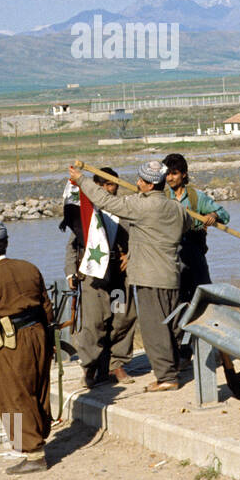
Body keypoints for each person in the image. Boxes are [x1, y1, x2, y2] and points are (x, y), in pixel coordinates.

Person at [68, 160, 190, 392]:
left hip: (149, 278)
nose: (136, 183)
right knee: (171, 326)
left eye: (140, 181)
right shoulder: (176, 207)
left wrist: (81, 179)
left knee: (155, 329)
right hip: (172, 275)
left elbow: (104, 201)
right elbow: (187, 225)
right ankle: (171, 370)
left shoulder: (141, 207)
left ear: (149, 184)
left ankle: (166, 377)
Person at [162, 153, 240, 399]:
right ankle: (179, 354)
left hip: (193, 255)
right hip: (169, 256)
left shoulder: (196, 198)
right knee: (175, 303)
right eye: (167, 174)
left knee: (203, 300)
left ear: (183, 174)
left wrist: (212, 217)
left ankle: (207, 348)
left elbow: (222, 214)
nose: (170, 178)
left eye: (174, 173)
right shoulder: (162, 196)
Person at [0, 220, 55, 474]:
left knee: (14, 395)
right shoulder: (29, 267)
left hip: (10, 341)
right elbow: (46, 307)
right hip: (39, 334)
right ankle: (38, 438)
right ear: (5, 242)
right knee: (38, 387)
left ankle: (34, 454)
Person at [63, 167, 137, 387]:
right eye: (102, 184)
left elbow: (142, 238)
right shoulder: (88, 212)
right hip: (93, 274)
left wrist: (132, 256)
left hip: (118, 273)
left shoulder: (126, 210)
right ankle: (90, 366)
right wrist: (70, 271)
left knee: (121, 317)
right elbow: (72, 245)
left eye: (111, 184)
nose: (107, 188)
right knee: (94, 321)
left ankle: (117, 364)